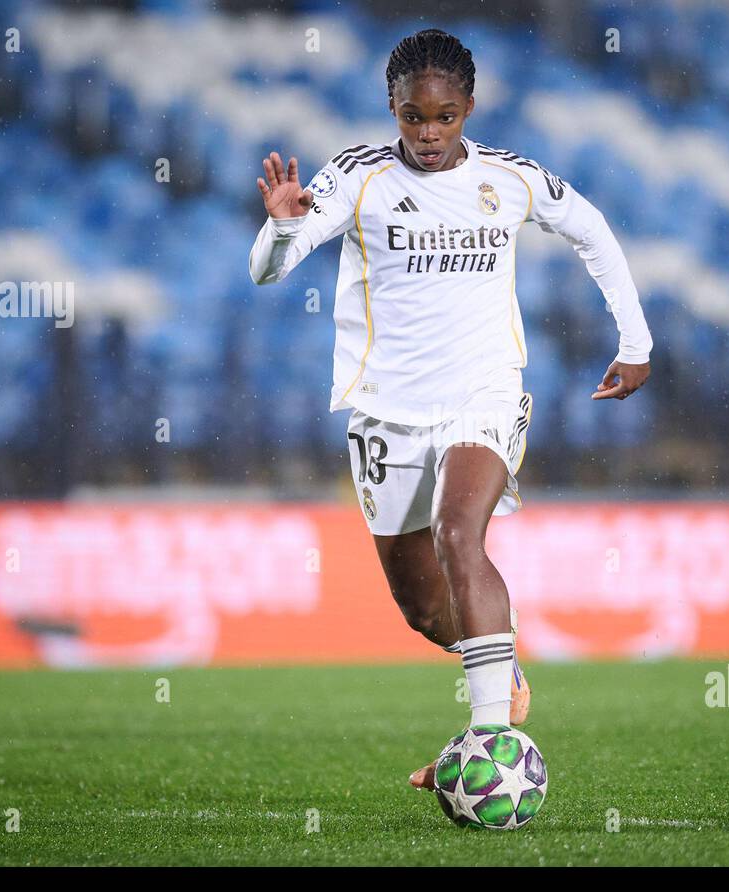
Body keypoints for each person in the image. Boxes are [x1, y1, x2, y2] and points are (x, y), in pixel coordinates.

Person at [248, 29, 653, 783]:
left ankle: (490, 742)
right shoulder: (355, 179)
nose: (428, 134)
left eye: (443, 116)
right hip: (385, 408)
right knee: (423, 606)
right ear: (391, 109)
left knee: (458, 530)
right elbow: (269, 271)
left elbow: (592, 230)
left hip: (484, 389)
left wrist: (637, 343)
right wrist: (280, 225)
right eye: (411, 117)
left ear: (469, 107)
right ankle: (502, 663)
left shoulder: (509, 178)